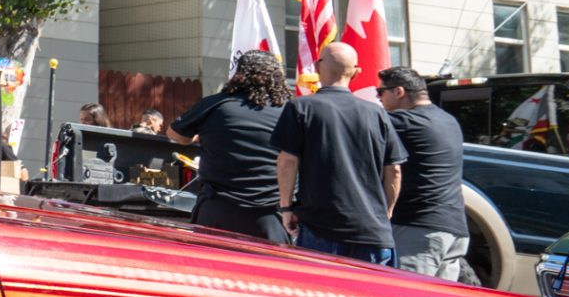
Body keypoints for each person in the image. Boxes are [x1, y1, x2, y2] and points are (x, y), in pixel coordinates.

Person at [272, 41, 407, 264]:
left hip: (321, 228)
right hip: (373, 231)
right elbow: (394, 170)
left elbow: (287, 161)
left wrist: (286, 207)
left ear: (316, 67)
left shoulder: (301, 108)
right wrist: (387, 212)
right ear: (356, 72)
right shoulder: (377, 113)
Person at [171, 52, 293, 244]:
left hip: (216, 211)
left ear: (239, 74)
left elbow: (175, 134)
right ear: (277, 76)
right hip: (269, 214)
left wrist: (198, 137)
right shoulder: (290, 111)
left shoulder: (216, 104)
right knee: (269, 271)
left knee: (210, 270)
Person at [378, 65, 471, 279]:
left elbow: (360, 120)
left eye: (380, 92)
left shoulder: (408, 122)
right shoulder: (448, 120)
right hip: (454, 228)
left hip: (420, 230)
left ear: (399, 92)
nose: (379, 99)